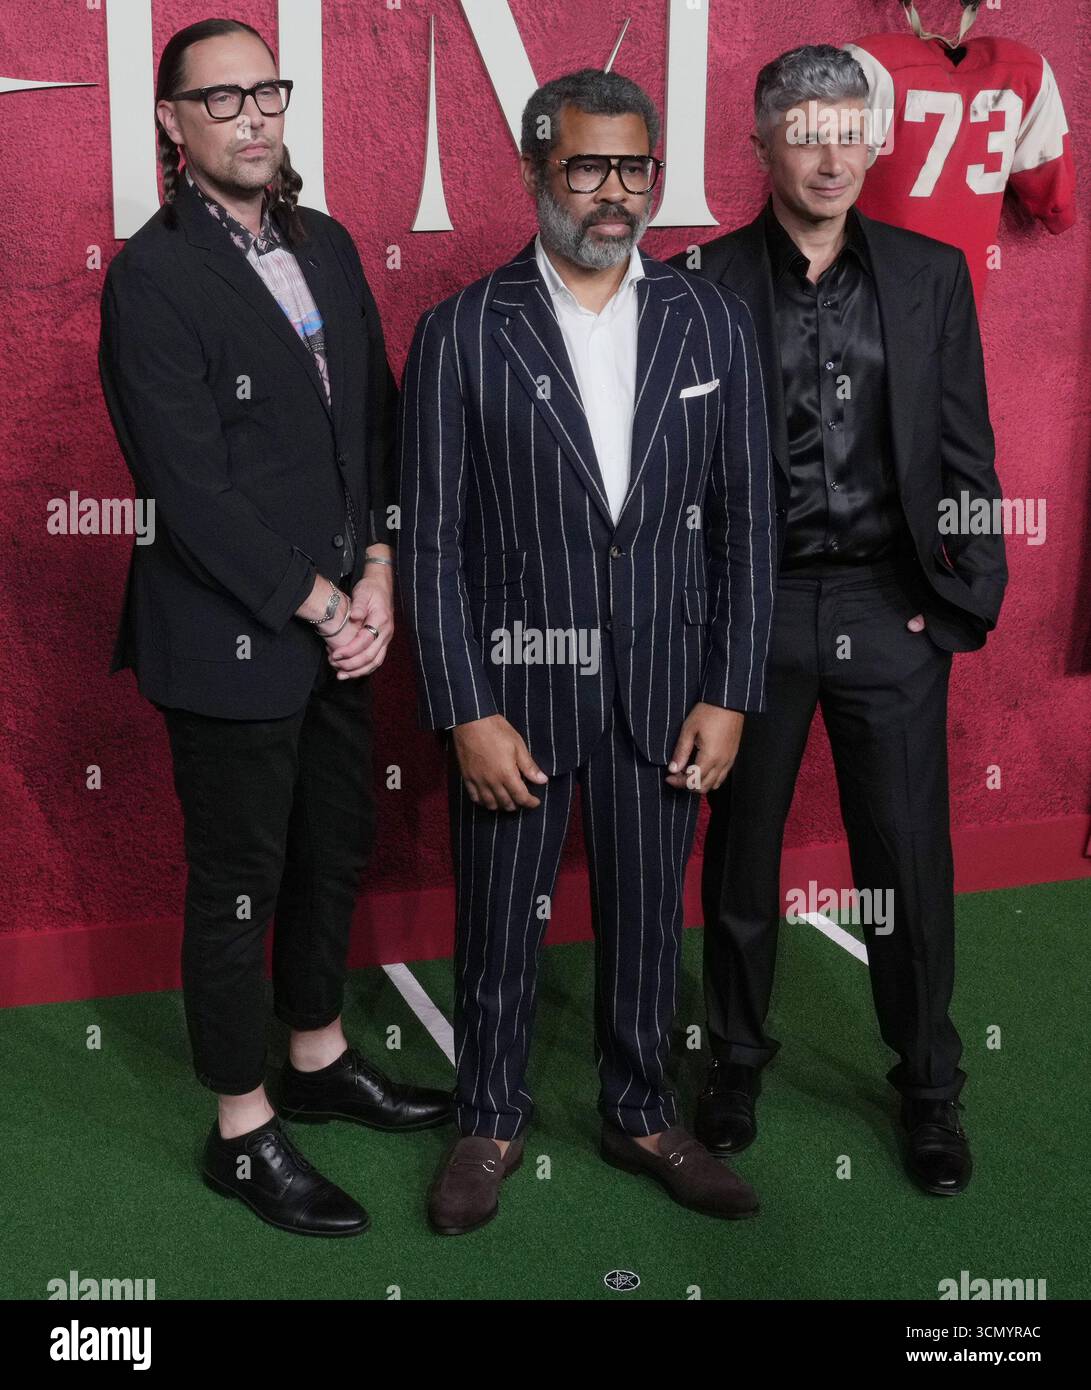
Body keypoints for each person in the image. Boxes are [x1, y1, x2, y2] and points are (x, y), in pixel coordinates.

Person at [398, 68, 776, 1235]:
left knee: (647, 915)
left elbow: (749, 524)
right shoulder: (461, 331)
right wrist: (463, 707)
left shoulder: (709, 319)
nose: (614, 194)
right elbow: (432, 546)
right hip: (511, 692)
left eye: (633, 169)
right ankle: (489, 1116)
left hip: (667, 693)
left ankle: (638, 1108)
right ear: (532, 171)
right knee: (499, 920)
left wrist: (729, 689)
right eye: (586, 167)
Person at [98, 17, 452, 1239]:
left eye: (268, 91)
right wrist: (318, 603)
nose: (253, 115)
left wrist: (382, 569)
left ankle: (315, 1054)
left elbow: (377, 424)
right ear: (172, 123)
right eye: (222, 98)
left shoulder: (329, 243)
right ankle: (242, 1128)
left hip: (346, 618)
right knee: (239, 883)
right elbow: (188, 490)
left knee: (330, 849)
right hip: (235, 636)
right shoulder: (151, 275)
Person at [670, 44, 1007, 1195]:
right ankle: (732, 1067)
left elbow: (964, 447)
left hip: (886, 606)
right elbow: (666, 470)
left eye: (847, 129)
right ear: (758, 142)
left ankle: (927, 1087)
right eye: (803, 129)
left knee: (905, 864)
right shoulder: (697, 282)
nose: (829, 151)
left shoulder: (928, 275)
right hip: (750, 612)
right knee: (739, 860)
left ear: (873, 141)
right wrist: (695, 620)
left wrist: (958, 601)